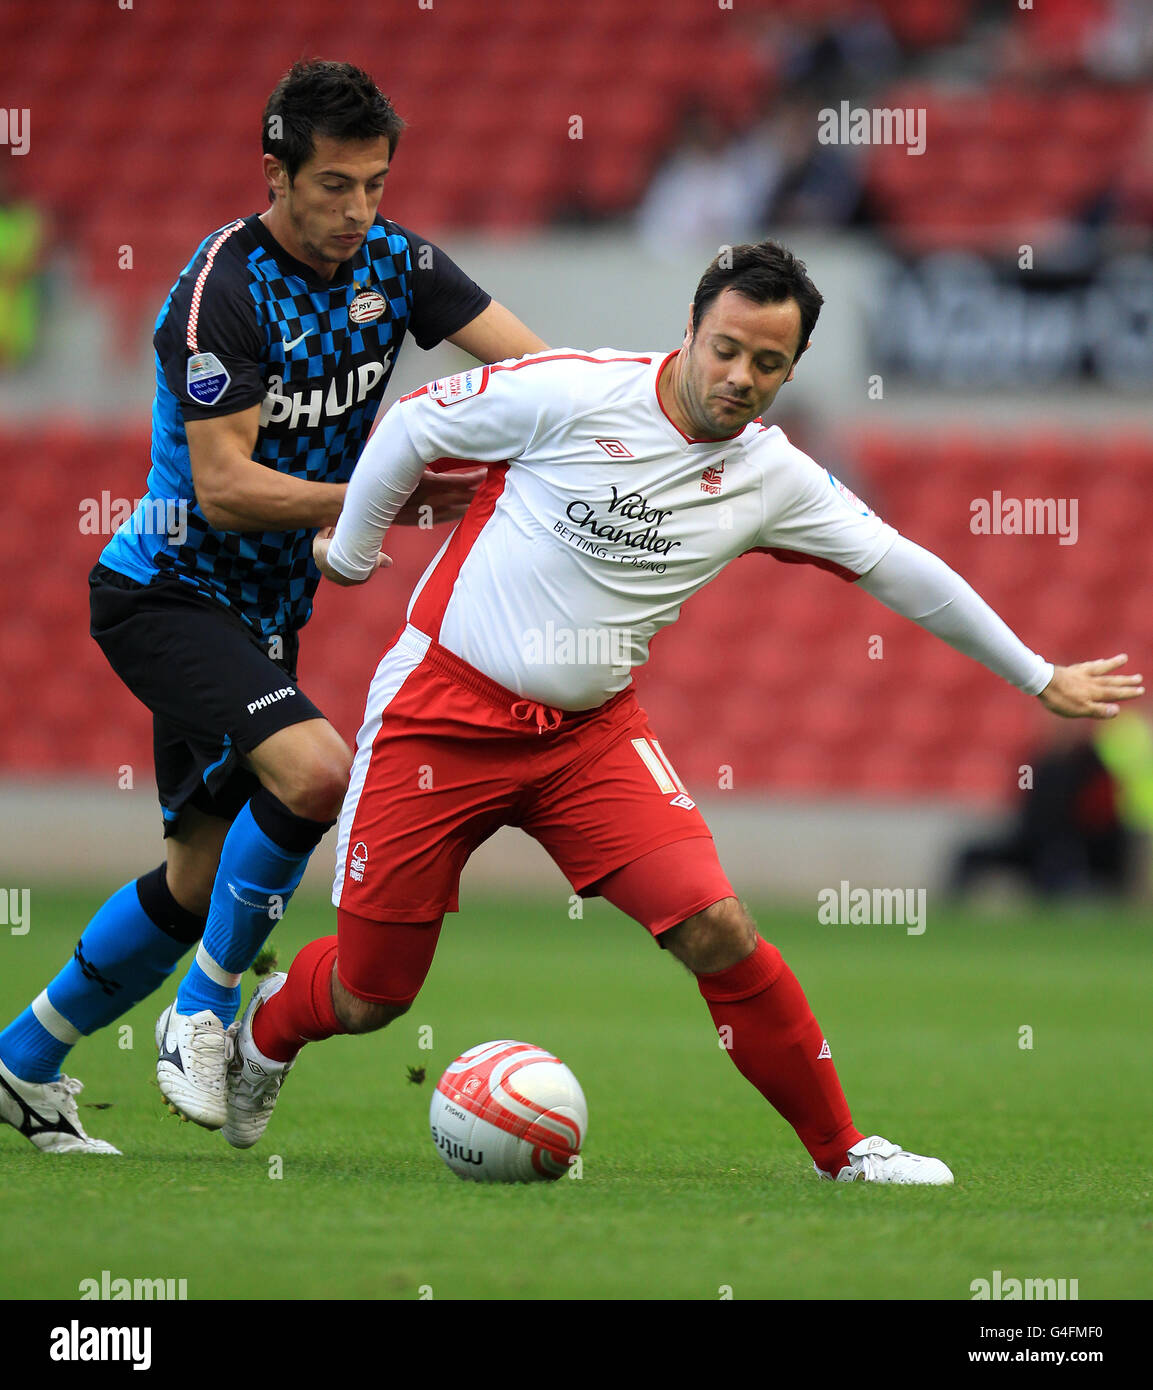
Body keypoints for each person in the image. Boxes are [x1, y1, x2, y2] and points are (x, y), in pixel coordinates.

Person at [170, 240, 1142, 1182]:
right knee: (374, 991)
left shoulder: (772, 474)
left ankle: (846, 1152)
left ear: (791, 369)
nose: (740, 376)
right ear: (689, 329)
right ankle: (266, 1028)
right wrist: (349, 552)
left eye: (768, 362)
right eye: (726, 349)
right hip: (440, 716)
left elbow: (901, 568)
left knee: (716, 926)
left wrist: (1035, 673)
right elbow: (418, 423)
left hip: (588, 740)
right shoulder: (574, 389)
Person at [0, 59, 547, 1155]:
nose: (357, 212)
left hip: (262, 610)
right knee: (318, 772)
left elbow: (538, 371)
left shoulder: (397, 265)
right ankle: (201, 1015)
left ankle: (20, 1065)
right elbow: (225, 487)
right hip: (165, 588)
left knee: (195, 884)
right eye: (334, 186)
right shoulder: (222, 293)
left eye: (375, 186)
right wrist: (384, 493)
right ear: (275, 174)